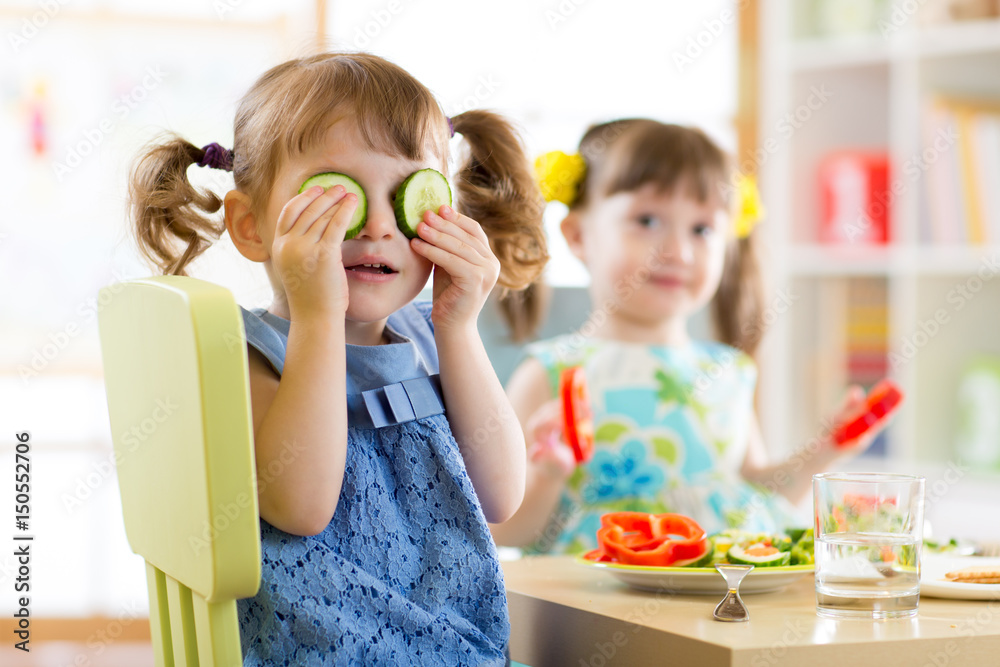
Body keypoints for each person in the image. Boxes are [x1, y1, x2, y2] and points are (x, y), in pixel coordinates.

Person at [127, 52, 547, 666]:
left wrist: (460, 327)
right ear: (251, 226)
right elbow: (300, 505)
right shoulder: (247, 354)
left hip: (458, 647)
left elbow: (501, 495)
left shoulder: (435, 338)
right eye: (335, 198)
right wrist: (319, 316)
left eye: (408, 198)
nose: (377, 225)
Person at [489, 118, 888, 555]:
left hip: (725, 594)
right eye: (646, 220)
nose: (677, 251)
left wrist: (826, 449)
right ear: (579, 235)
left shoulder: (728, 371)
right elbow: (504, 533)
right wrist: (547, 476)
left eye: (702, 229)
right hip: (601, 608)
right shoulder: (552, 372)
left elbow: (758, 491)